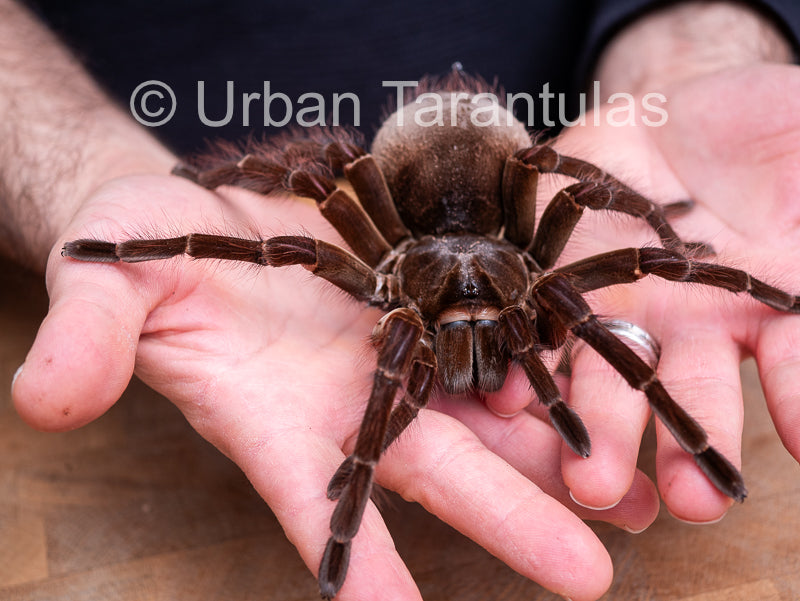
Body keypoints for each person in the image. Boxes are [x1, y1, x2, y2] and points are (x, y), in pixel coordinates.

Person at [3, 1, 800, 599]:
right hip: (157, 125)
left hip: (521, 139)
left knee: (621, 261)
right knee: (316, 187)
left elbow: (584, 195)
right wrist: (113, 172)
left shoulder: (538, 244)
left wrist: (692, 54)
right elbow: (293, 215)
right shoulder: (373, 260)